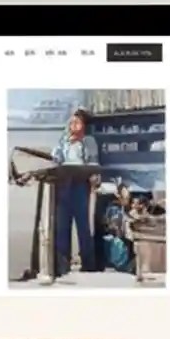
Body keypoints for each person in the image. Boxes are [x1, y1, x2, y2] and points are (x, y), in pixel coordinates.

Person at [51, 108, 98, 276]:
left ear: (83, 125)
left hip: (80, 183)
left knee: (83, 225)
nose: (73, 125)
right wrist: (67, 144)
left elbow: (93, 161)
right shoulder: (63, 140)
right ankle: (63, 263)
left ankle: (88, 263)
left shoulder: (88, 141)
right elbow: (55, 157)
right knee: (62, 225)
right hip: (64, 183)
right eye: (71, 123)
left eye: (77, 123)